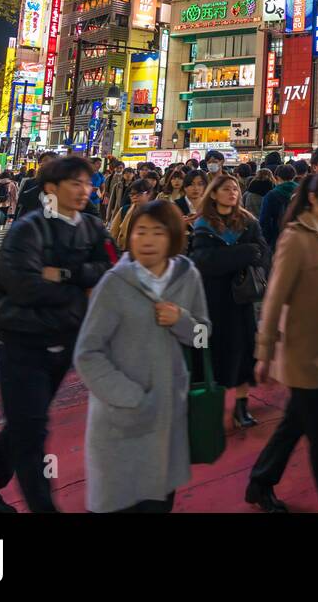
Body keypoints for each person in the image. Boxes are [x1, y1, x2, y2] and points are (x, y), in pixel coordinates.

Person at [0, 155, 116, 513]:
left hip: (65, 339)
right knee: (30, 430)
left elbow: (112, 266)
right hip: (22, 340)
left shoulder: (93, 227)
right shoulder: (29, 227)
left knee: (25, 425)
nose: (85, 190)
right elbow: (24, 286)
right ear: (51, 188)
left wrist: (63, 274)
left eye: (88, 183)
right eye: (76, 183)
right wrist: (80, 283)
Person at [74, 200, 211, 513]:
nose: (147, 240)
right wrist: (130, 397)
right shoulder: (114, 283)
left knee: (158, 502)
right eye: (140, 231)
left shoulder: (188, 278)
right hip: (119, 419)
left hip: (166, 417)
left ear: (174, 237)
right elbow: (87, 353)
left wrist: (181, 320)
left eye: (157, 232)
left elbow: (203, 336)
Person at [247, 171, 318, 513]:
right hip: (301, 350)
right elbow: (275, 295)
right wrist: (263, 352)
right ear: (313, 199)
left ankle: (260, 481)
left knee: (295, 423)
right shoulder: (296, 237)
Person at [188, 173, 270, 430]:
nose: (232, 193)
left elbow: (262, 254)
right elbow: (204, 262)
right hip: (213, 298)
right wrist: (242, 253)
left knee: (244, 351)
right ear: (213, 194)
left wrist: (233, 257)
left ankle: (242, 405)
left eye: (235, 189)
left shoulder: (248, 222)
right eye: (226, 189)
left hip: (242, 299)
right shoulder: (204, 225)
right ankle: (216, 404)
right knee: (218, 352)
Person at [108, 178, 156, 250]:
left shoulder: (156, 213)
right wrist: (113, 257)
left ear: (149, 194)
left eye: (139, 193)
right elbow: (112, 235)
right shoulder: (124, 210)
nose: (134, 196)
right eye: (132, 194)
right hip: (125, 253)